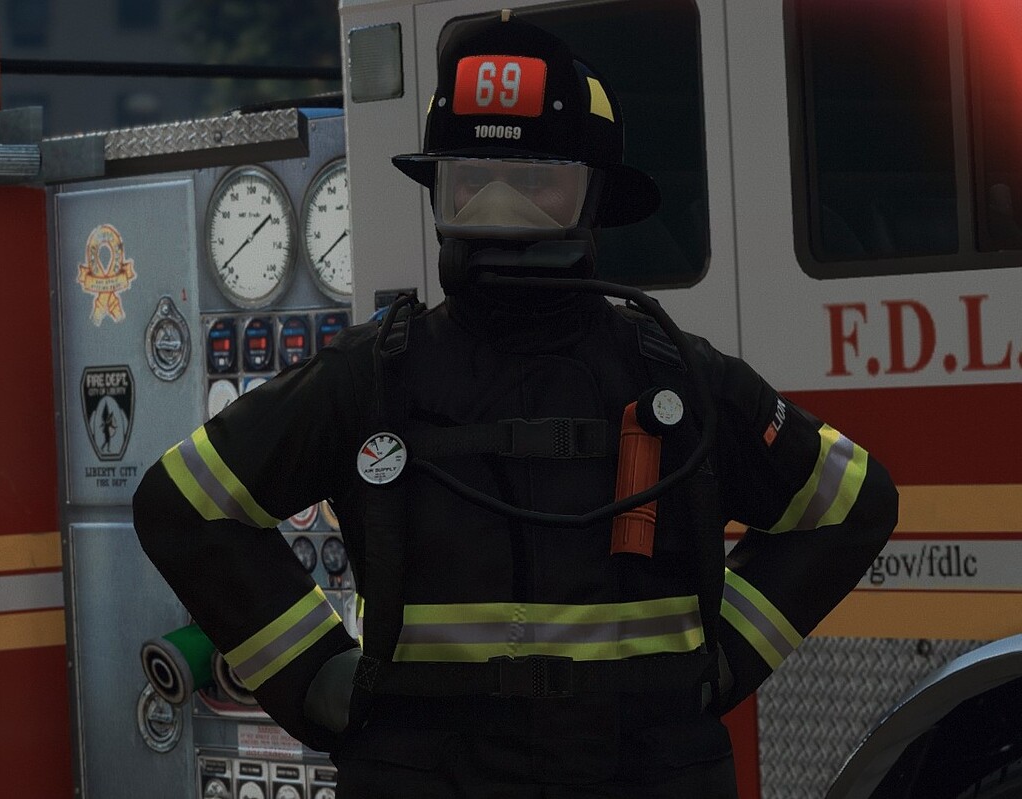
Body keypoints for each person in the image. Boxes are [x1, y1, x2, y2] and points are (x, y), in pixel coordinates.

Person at [133, 11, 898, 798]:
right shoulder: (367, 380)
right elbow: (181, 505)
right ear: (438, 192)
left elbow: (850, 504)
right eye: (471, 181)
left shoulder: (678, 380)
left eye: (536, 183)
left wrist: (728, 656)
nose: (503, 207)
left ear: (592, 197)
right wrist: (310, 674)